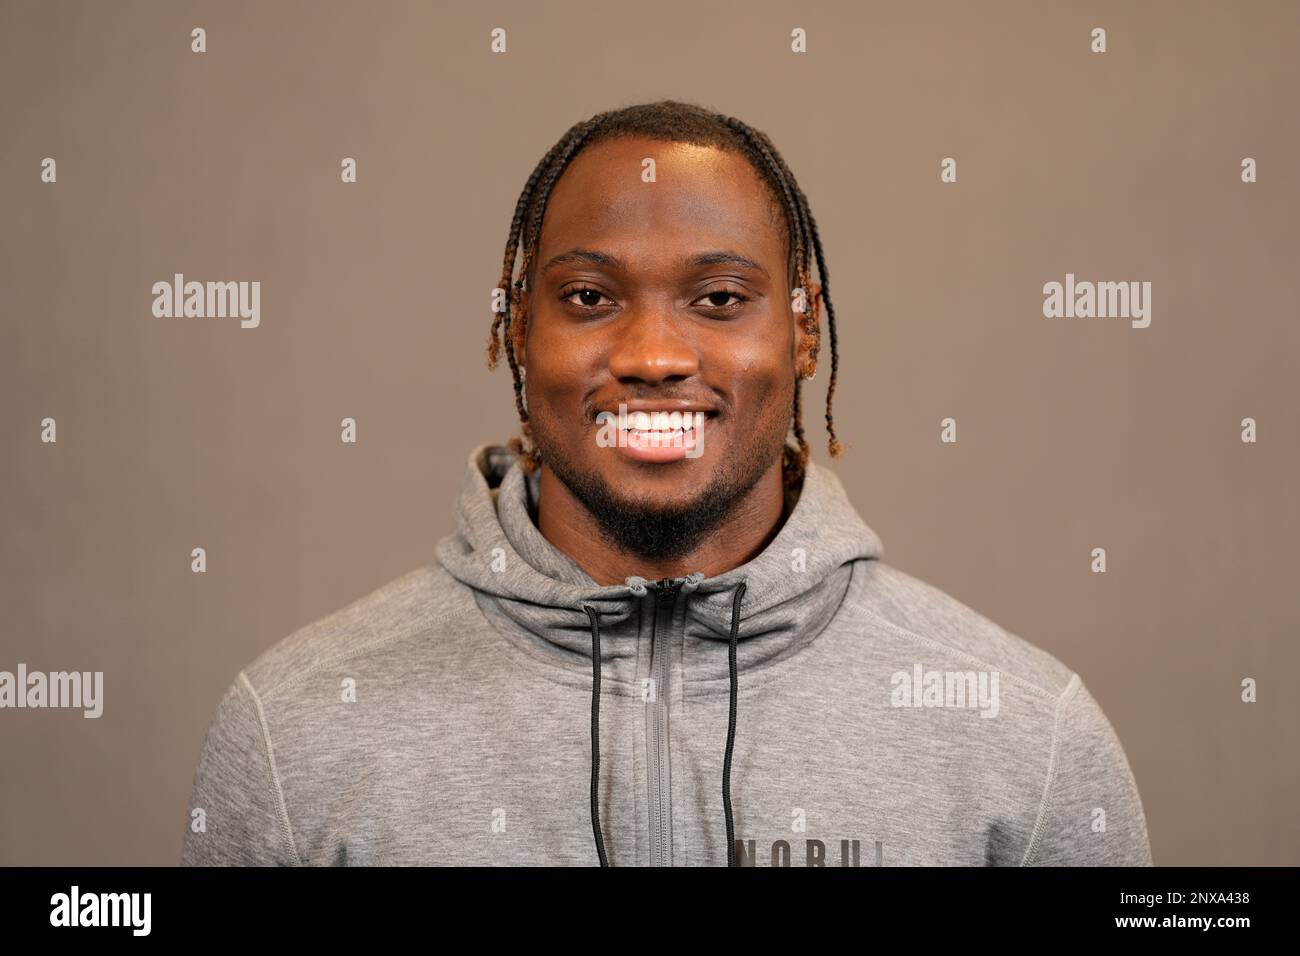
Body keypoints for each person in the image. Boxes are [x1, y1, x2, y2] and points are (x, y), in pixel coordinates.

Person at [181, 100, 1152, 866]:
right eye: (590, 298)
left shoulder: (1023, 730)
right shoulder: (299, 727)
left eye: (720, 298)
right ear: (519, 331)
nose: (653, 354)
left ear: (802, 328)